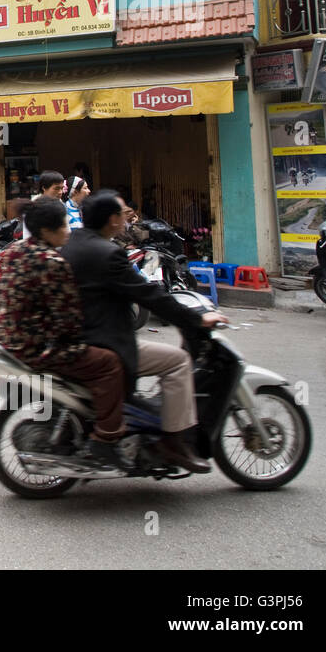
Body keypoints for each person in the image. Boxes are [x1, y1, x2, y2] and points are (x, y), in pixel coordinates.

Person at [59, 190, 228, 473]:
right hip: (103, 339)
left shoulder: (74, 242)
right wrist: (195, 320)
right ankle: (173, 443)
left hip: (79, 332)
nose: (127, 219)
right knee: (177, 361)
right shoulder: (108, 253)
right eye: (123, 214)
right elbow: (149, 296)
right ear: (112, 220)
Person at [0, 198, 128, 468]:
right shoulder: (52, 261)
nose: (68, 229)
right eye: (64, 224)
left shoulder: (13, 251)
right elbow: (68, 317)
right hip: (39, 347)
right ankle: (107, 438)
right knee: (110, 363)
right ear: (47, 231)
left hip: (7, 339)